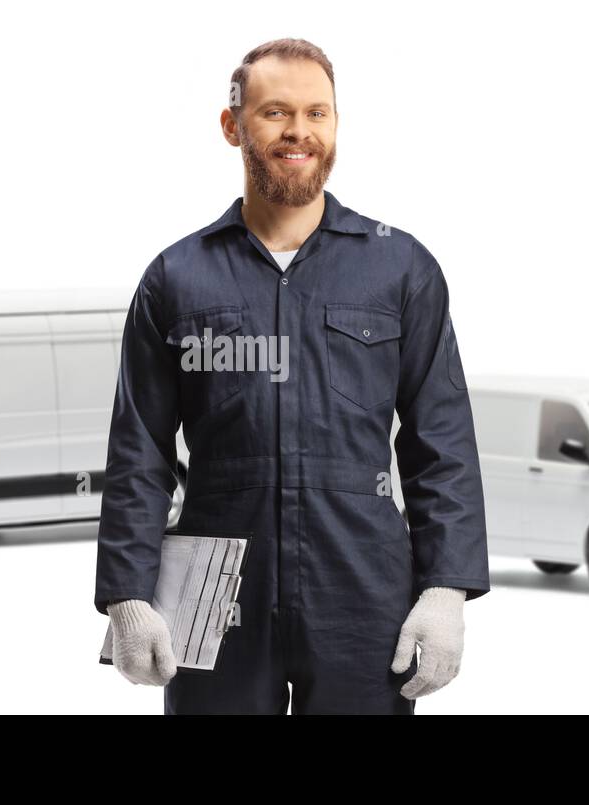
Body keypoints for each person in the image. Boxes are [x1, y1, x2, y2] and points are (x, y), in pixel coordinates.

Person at [95, 37, 490, 714]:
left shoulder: (400, 270)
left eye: (318, 113)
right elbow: (141, 452)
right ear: (232, 125)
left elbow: (441, 443)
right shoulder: (176, 278)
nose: (299, 131)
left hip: (362, 592)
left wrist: (446, 587)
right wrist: (129, 593)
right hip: (213, 597)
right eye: (276, 113)